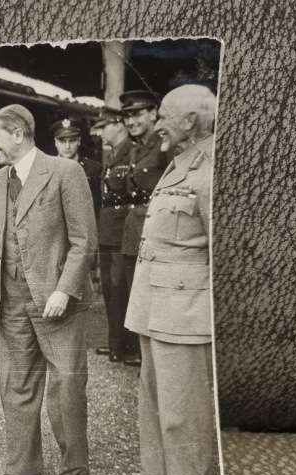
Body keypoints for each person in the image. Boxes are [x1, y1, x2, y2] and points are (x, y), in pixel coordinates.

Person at [0, 104, 97, 475]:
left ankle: (76, 471)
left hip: (55, 299)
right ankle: (23, 467)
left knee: (66, 388)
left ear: (18, 134)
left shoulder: (65, 172)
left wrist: (64, 289)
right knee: (16, 384)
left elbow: (83, 241)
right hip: (10, 301)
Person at [119, 84, 220, 475]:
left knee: (184, 408)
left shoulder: (212, 168)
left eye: (163, 115)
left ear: (191, 122)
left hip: (185, 309)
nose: (157, 123)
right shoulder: (179, 162)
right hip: (156, 305)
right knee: (154, 401)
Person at [118, 90, 172, 368]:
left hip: (156, 228)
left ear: (154, 113)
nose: (131, 121)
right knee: (135, 297)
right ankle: (144, 357)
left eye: (137, 114)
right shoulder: (136, 147)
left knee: (154, 298)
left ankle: (156, 362)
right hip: (134, 229)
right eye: (127, 116)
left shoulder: (164, 145)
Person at [94, 108, 139, 364]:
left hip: (123, 230)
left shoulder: (131, 151)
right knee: (110, 289)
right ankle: (114, 343)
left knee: (121, 287)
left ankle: (127, 346)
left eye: (104, 126)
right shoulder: (112, 154)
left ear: (119, 125)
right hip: (109, 229)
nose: (100, 132)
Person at [50, 118, 102, 218]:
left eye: (72, 141)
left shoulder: (94, 168)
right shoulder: (47, 168)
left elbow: (97, 205)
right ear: (55, 142)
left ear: (79, 141)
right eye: (62, 141)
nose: (67, 146)